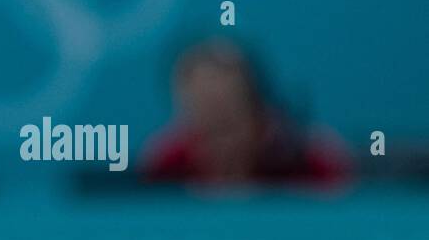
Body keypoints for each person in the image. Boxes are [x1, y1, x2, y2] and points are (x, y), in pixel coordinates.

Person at [143, 40, 350, 188]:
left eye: (229, 119)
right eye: (205, 115)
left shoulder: (315, 165)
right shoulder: (165, 169)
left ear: (258, 110)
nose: (220, 137)